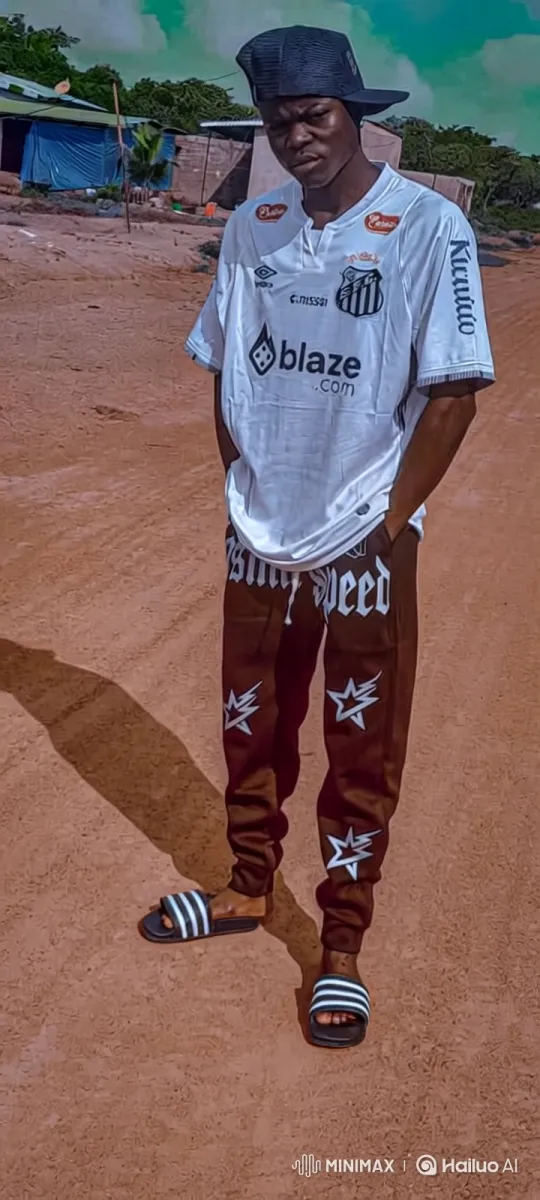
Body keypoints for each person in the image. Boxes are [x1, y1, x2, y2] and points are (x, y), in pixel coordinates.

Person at [141, 25, 495, 1048]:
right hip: (260, 533)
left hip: (364, 546)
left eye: (315, 116)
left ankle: (340, 947)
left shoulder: (427, 228)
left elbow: (455, 397)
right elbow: (224, 369)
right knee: (251, 722)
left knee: (360, 746)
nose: (297, 136)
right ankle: (249, 886)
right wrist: (245, 485)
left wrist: (385, 526)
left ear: (356, 116)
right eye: (278, 120)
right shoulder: (253, 225)